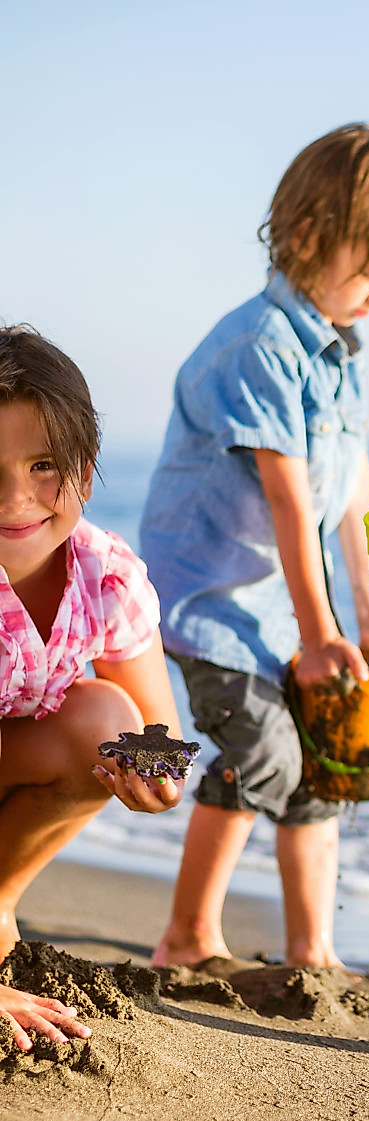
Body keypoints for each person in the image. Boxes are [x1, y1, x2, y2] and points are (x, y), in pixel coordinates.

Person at [143, 123, 369, 972]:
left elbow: (351, 492)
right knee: (258, 751)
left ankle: (314, 950)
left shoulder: (336, 358)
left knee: (327, 763)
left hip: (286, 608)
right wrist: (319, 635)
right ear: (310, 237)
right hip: (219, 603)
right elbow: (284, 496)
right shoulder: (259, 349)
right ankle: (188, 936)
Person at [0, 325, 185, 983]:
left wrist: (156, 782)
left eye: (42, 465)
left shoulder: (102, 575)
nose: (15, 498)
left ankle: (1, 900)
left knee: (112, 722)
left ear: (84, 466)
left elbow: (160, 738)